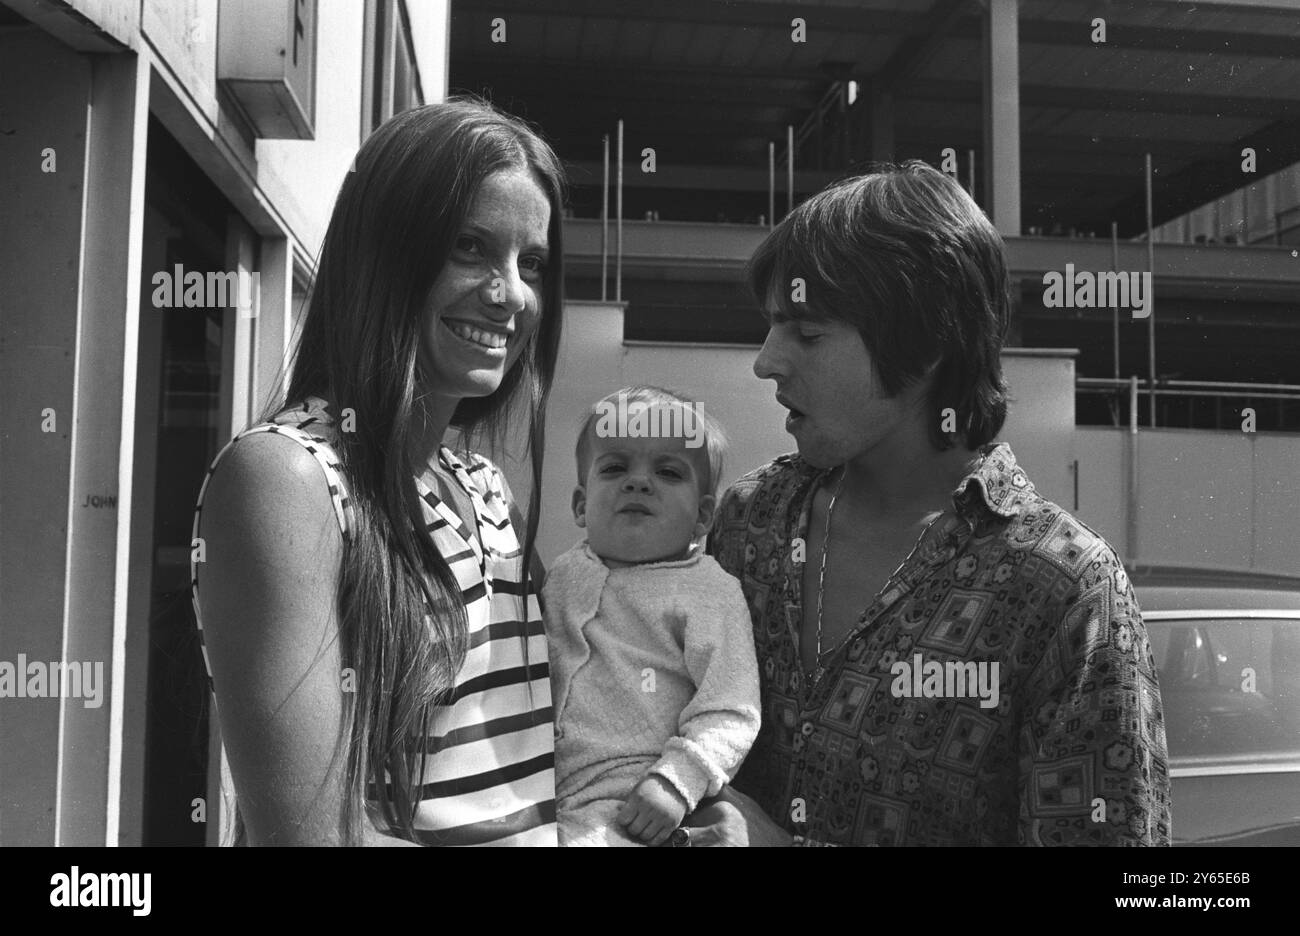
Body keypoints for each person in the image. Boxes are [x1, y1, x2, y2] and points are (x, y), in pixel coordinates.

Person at [694, 161, 1172, 846]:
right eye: (773, 328)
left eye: (807, 334)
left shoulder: (1061, 587)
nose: (766, 361)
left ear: (926, 341)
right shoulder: (750, 524)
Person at [190, 98, 566, 845]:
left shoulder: (485, 489)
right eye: (470, 247)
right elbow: (312, 840)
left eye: (532, 264)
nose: (511, 293)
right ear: (383, 255)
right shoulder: (287, 478)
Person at [544, 386, 760, 846]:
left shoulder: (709, 590)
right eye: (615, 467)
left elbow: (732, 707)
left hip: (633, 800)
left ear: (703, 516)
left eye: (667, 472)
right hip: (535, 791)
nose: (639, 482)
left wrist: (676, 780)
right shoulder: (561, 574)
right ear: (581, 505)